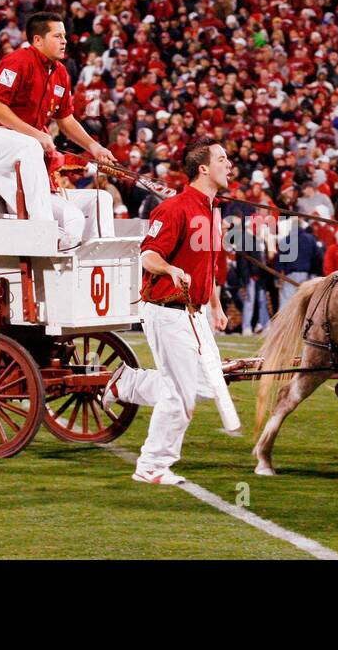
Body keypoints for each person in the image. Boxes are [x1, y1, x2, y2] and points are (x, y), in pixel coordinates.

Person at [102, 139, 241, 485]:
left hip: (194, 313)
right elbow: (148, 254)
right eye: (222, 159)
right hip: (167, 310)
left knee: (208, 384)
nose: (229, 164)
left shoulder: (212, 211)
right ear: (203, 168)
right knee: (180, 396)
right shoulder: (175, 208)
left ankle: (129, 382)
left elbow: (206, 265)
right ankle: (151, 465)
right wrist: (169, 270)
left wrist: (215, 305)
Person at [0, 11, 117, 250]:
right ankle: (44, 231)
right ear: (37, 40)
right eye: (57, 35)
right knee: (31, 145)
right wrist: (36, 134)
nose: (64, 40)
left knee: (100, 199)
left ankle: (98, 253)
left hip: (18, 147)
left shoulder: (61, 73)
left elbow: (66, 120)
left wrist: (93, 146)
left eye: (64, 35)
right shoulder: (18, 62)